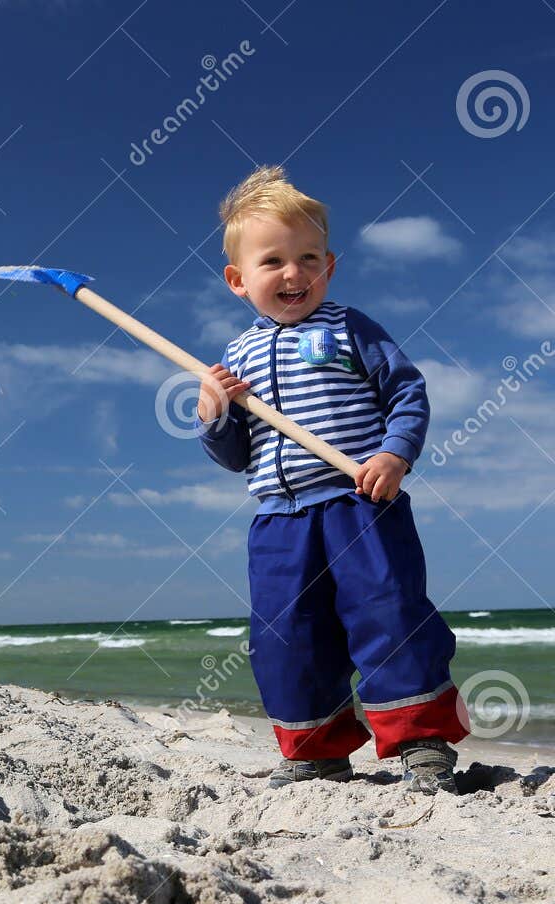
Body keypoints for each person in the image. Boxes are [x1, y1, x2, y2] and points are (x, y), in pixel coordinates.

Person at [196, 165, 469, 794]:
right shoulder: (233, 358)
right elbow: (237, 456)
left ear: (330, 265)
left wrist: (394, 457)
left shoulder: (350, 328)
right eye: (273, 262)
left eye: (308, 258)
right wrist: (214, 415)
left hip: (358, 503)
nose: (294, 275)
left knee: (390, 617)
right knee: (285, 635)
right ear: (239, 280)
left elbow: (408, 393)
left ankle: (422, 743)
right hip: (277, 518)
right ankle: (315, 749)